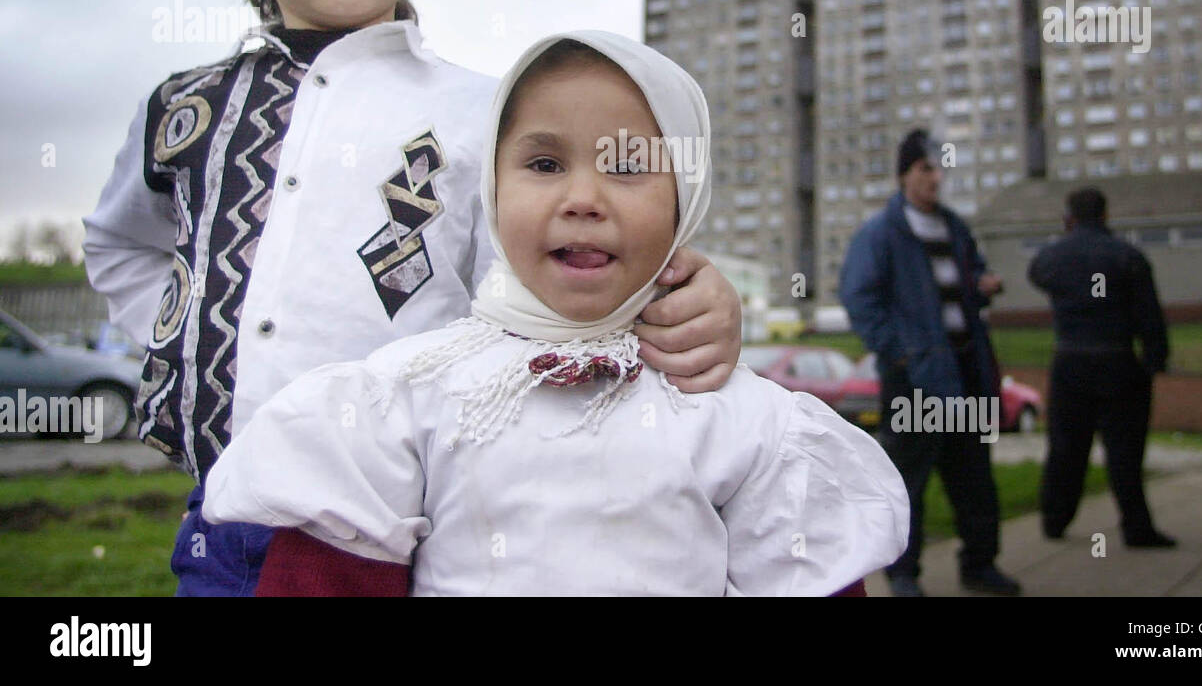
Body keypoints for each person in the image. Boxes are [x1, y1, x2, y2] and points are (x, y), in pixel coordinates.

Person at [81, 0, 742, 597]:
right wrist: (189, 346)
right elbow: (118, 243)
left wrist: (690, 300)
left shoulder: (488, 114)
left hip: (416, 521)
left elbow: (555, 289)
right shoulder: (184, 112)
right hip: (228, 518)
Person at [203, 31, 910, 595]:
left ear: (684, 197)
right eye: (544, 164)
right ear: (492, 186)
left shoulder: (741, 417)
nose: (583, 197)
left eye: (627, 165)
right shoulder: (406, 398)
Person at [839, 129, 1020, 597]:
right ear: (905, 175)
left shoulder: (955, 227)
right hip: (914, 380)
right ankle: (903, 576)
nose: (937, 178)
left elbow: (971, 270)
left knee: (974, 476)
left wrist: (983, 282)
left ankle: (979, 565)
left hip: (966, 374)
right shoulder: (881, 233)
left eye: (940, 168)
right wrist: (898, 352)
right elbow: (859, 298)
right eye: (926, 169)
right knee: (908, 481)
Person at [1028, 187, 1174, 548]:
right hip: (1118, 360)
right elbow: (1149, 316)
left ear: (1069, 218)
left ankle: (1055, 518)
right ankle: (1136, 526)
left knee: (1065, 448)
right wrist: (1155, 359)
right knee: (1125, 452)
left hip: (1071, 359)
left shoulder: (1053, 257)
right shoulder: (1128, 257)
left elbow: (1037, 273)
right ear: (1106, 216)